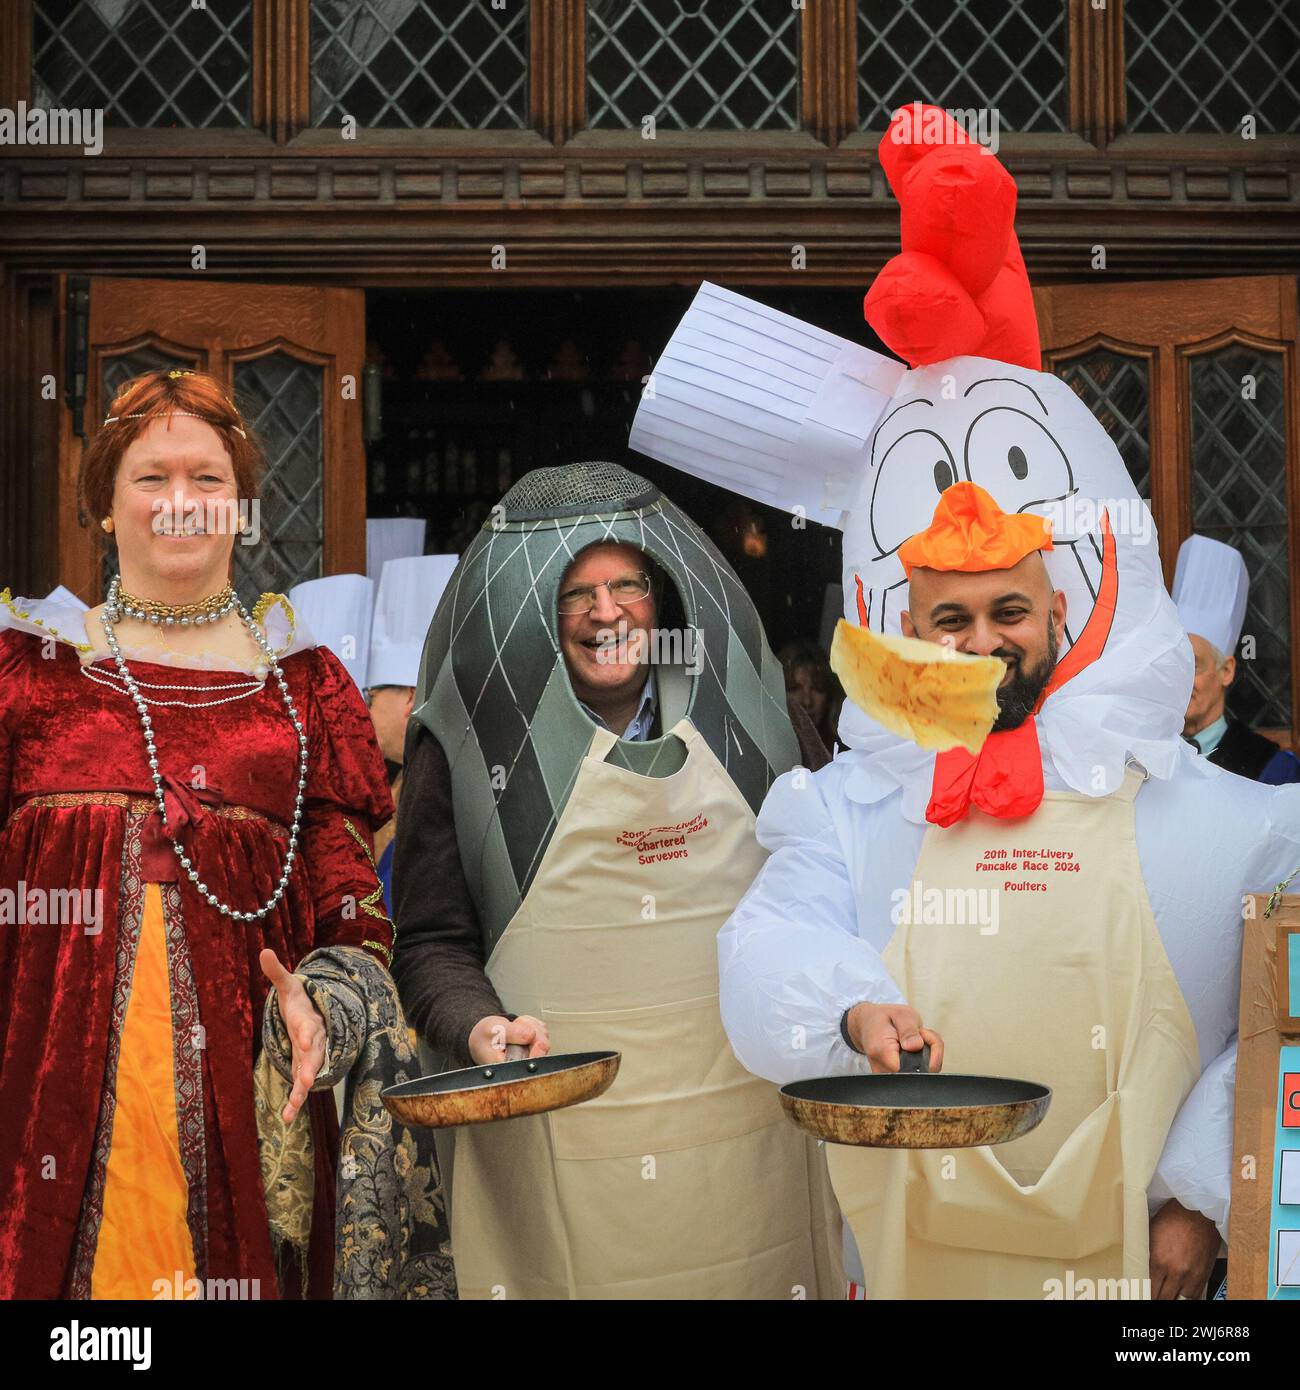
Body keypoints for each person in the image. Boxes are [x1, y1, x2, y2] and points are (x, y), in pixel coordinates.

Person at [632, 105, 1300, 1300]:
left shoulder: (1226, 821)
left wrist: (1203, 1196)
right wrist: (851, 1011)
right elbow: (768, 943)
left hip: (1140, 1271)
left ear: (1065, 611)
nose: (984, 641)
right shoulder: (842, 805)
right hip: (912, 1265)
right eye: (952, 618)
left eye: (1009, 612)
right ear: (905, 627)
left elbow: (1282, 1019)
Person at [0, 368, 452, 1299]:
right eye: (151, 477)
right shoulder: (28, 670)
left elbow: (348, 900)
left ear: (242, 505)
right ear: (104, 503)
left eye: (208, 480)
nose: (180, 504)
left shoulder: (302, 687)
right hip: (43, 1097)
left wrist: (325, 997)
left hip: (247, 1094)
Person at [391, 460, 842, 1300]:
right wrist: (479, 1028)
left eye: (626, 584)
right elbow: (430, 946)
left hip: (749, 1149)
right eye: (575, 594)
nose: (606, 613)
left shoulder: (755, 717)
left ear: (661, 595)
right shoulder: (471, 739)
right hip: (559, 1146)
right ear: (533, 612)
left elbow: (832, 884)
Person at [364, 555, 457, 908]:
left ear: (411, 698)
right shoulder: (401, 782)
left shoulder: (440, 788)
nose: (364, 713)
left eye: (371, 698)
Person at [1173, 534, 1300, 784]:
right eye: (1176, 666)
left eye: (1195, 666)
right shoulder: (1148, 758)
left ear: (1227, 671)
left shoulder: (1272, 769)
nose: (1182, 681)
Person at [778, 639, 843, 757]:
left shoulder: (842, 755)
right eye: (794, 688)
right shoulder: (764, 749)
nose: (807, 701)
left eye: (817, 688)